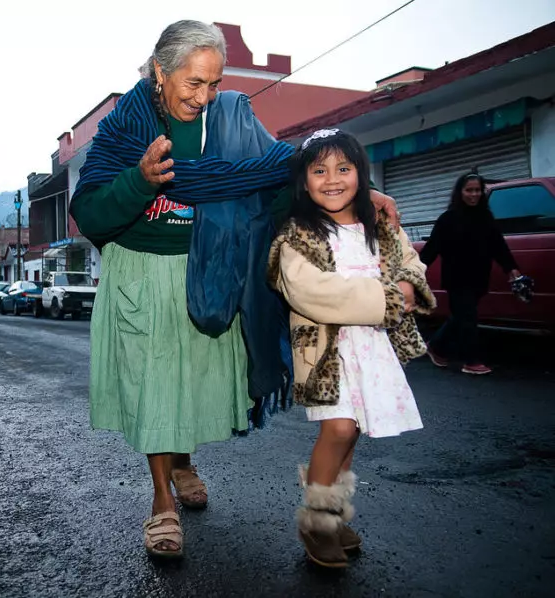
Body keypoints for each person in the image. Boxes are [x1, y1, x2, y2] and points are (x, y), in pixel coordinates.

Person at [70, 20, 401, 560]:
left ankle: (181, 462)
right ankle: (161, 501)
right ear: (160, 70)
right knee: (157, 387)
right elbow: (88, 213)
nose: (204, 97)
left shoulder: (231, 116)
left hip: (214, 272)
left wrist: (363, 194)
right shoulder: (124, 128)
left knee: (189, 387)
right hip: (144, 273)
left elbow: (291, 171)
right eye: (193, 83)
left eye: (213, 83)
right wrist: (141, 181)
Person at [267, 129, 435, 568]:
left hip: (372, 350)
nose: (332, 179)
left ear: (362, 175)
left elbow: (410, 262)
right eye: (319, 170)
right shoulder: (297, 235)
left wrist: (408, 281)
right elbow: (311, 292)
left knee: (354, 430)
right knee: (338, 429)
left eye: (344, 168)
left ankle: (335, 513)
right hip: (326, 351)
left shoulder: (378, 226)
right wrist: (389, 297)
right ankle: (316, 523)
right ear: (303, 182)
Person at [419, 173, 522, 375]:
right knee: (468, 318)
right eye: (469, 190)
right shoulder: (448, 219)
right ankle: (471, 361)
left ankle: (436, 347)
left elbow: (498, 246)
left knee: (460, 317)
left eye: (477, 190)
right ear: (460, 192)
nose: (473, 194)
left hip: (479, 278)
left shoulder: (486, 217)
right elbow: (432, 248)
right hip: (457, 278)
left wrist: (511, 268)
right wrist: (414, 272)